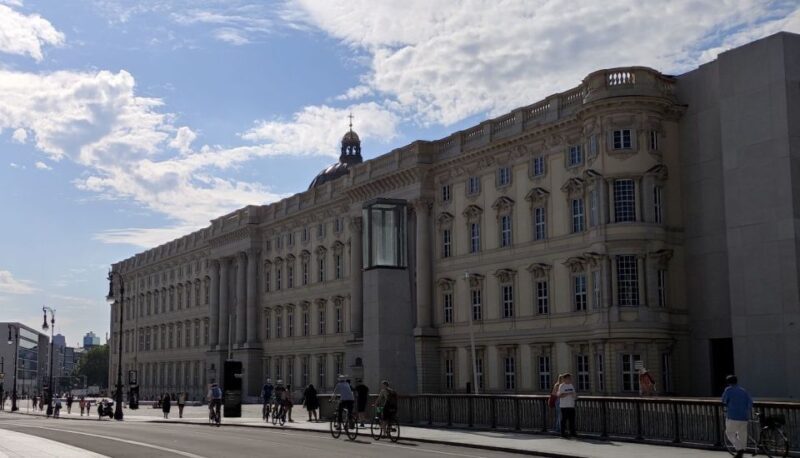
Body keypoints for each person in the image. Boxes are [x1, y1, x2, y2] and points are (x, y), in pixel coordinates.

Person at [722, 375, 753, 458]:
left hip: (732, 415)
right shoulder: (743, 391)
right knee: (742, 434)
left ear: (728, 382)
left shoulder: (728, 390)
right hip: (744, 416)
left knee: (729, 433)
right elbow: (750, 403)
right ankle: (742, 450)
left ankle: (739, 449)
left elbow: (724, 400)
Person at [558, 373, 577, 438]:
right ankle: (563, 433)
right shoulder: (562, 386)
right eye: (569, 378)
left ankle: (572, 432)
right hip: (564, 406)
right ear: (565, 379)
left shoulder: (571, 385)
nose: (570, 379)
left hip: (571, 405)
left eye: (570, 378)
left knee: (572, 420)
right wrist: (568, 393)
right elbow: (560, 395)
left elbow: (574, 394)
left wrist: (575, 396)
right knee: (564, 420)